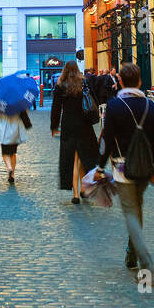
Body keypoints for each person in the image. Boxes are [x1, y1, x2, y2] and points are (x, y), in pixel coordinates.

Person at [96, 62, 154, 279]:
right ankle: (131, 253)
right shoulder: (150, 106)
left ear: (120, 81)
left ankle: (145, 259)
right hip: (143, 167)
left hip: (122, 166)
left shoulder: (114, 106)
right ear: (140, 81)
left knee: (131, 212)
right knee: (137, 209)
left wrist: (99, 166)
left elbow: (107, 137)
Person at [51, 61, 98, 204]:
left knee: (72, 159)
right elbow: (93, 99)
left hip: (68, 125)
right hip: (84, 124)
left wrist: (54, 126)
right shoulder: (83, 83)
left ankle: (76, 194)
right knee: (83, 158)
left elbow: (56, 108)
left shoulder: (60, 85)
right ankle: (83, 188)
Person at [0, 103, 32, 185]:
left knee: (5, 152)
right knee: (13, 152)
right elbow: (25, 113)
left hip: (3, 128)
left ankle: (9, 168)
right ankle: (12, 174)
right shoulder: (18, 102)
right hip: (15, 129)